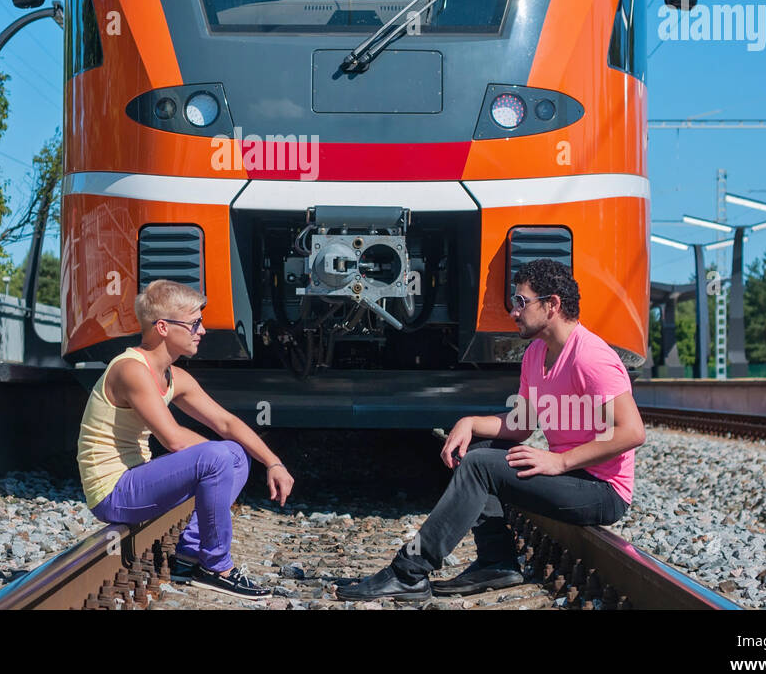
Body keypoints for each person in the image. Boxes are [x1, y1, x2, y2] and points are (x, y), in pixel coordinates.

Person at [336, 258, 646, 602]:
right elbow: (521, 425)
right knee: (480, 448)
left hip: (602, 490)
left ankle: (409, 571)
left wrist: (559, 462)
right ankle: (496, 563)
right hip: (573, 477)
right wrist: (469, 423)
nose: (514, 311)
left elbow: (631, 432)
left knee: (482, 465)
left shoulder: (590, 357)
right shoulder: (536, 355)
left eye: (522, 302)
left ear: (552, 305)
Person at [77, 278, 295, 599]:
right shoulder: (130, 370)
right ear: (163, 327)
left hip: (136, 480)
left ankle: (191, 555)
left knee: (235, 454)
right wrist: (217, 460)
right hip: (113, 493)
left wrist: (273, 463)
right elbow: (173, 439)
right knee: (219, 457)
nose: (202, 331)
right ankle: (216, 567)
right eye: (194, 324)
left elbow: (226, 422)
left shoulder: (173, 376)